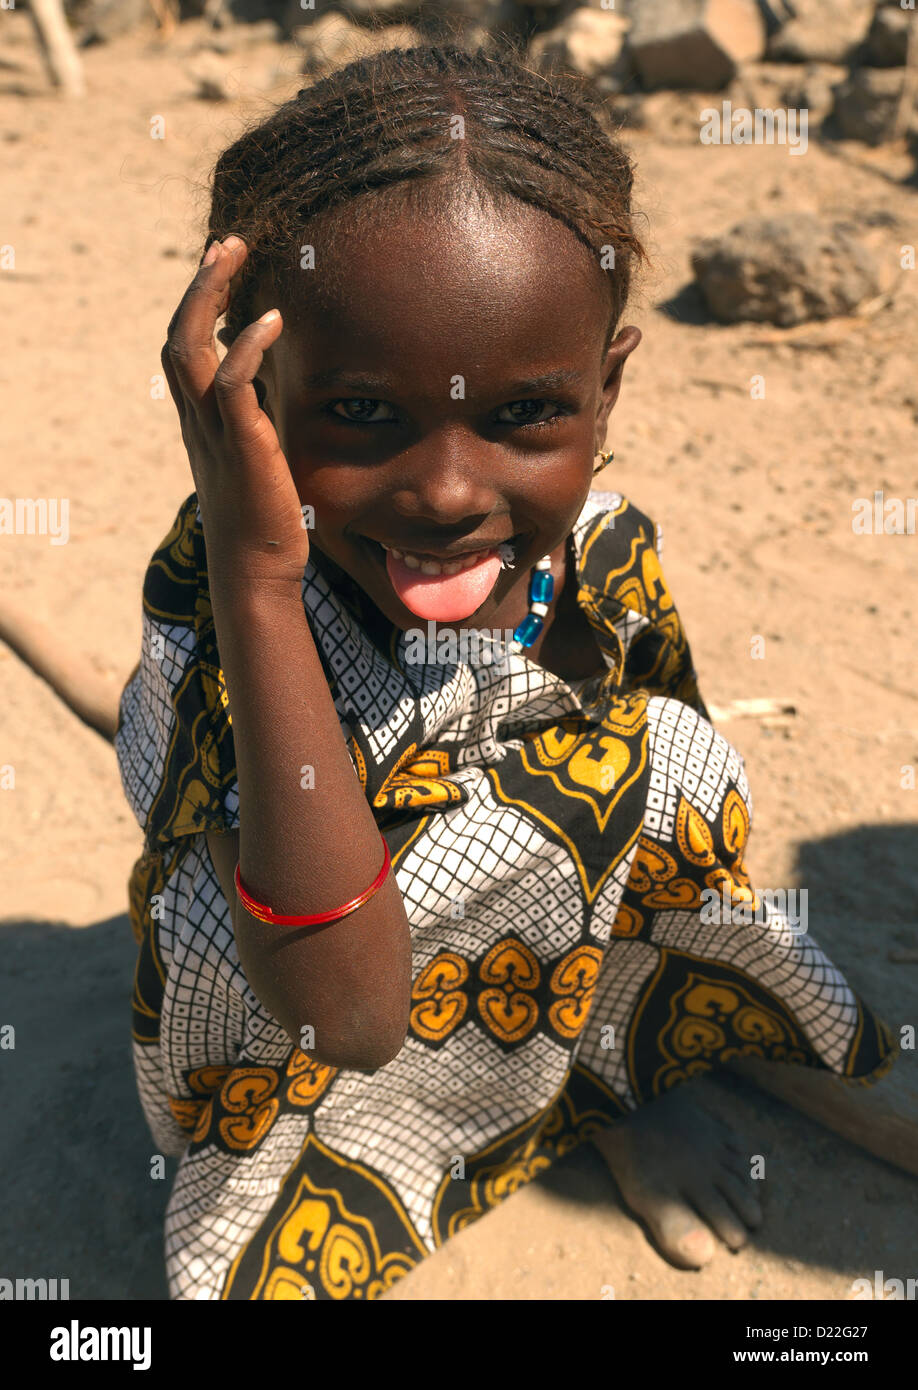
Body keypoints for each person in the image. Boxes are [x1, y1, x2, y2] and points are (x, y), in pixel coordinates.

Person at [115, 44, 912, 1302]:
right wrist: (262, 581)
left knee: (670, 763)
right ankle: (396, 1153)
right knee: (235, 964)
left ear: (606, 389)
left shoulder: (600, 555)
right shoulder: (231, 618)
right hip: (325, 1027)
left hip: (539, 983)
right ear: (248, 400)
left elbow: (666, 869)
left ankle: (610, 1089)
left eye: (527, 415)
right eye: (364, 414)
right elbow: (352, 1022)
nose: (444, 492)